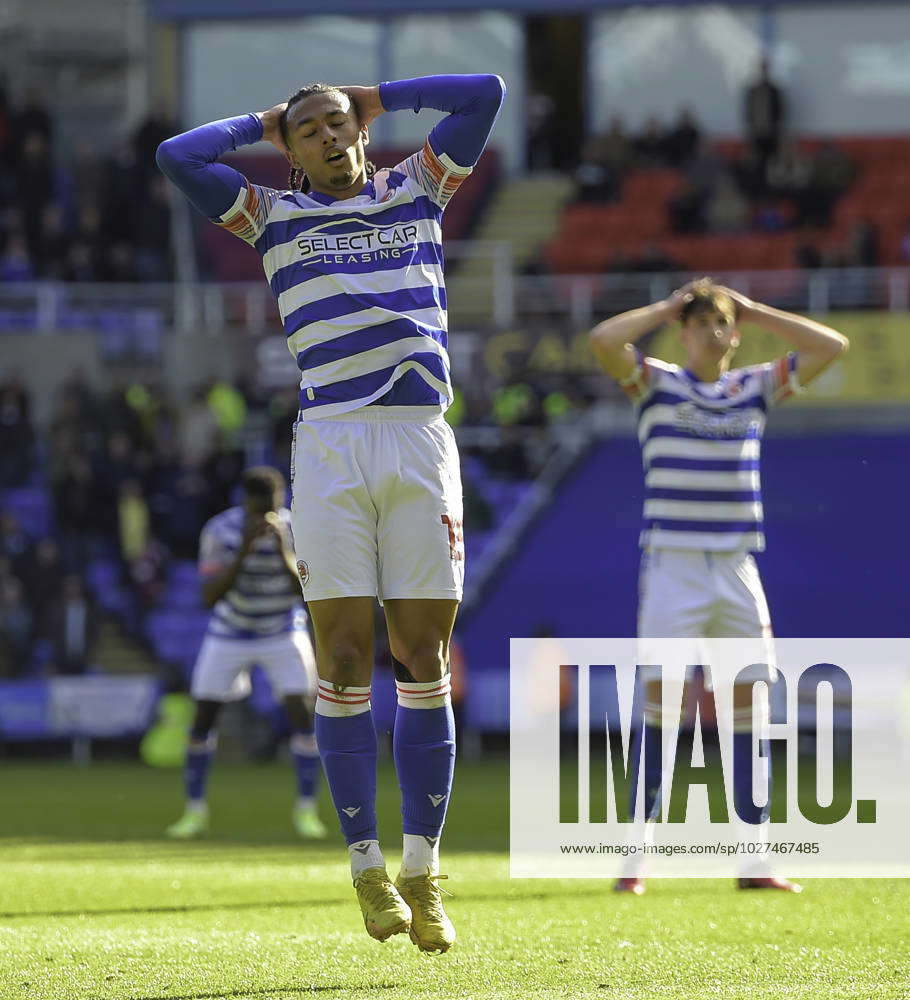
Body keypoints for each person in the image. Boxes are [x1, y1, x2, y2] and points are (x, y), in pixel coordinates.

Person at [157, 73, 505, 952]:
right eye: (308, 129)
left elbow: (486, 93)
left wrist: (378, 96)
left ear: (362, 130)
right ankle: (366, 869)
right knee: (345, 659)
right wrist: (259, 122)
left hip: (420, 441)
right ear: (290, 146)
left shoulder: (416, 185)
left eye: (338, 123)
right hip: (332, 449)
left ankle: (424, 872)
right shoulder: (269, 215)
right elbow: (175, 156)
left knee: (421, 655)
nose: (328, 136)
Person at [588, 278, 848, 894]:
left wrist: (754, 309)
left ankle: (754, 859)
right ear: (682, 331)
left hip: (736, 566)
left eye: (722, 322)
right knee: (661, 709)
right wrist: (667, 305)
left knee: (750, 710)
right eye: (700, 322)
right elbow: (602, 340)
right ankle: (637, 858)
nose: (713, 331)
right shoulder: (656, 382)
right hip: (672, 566)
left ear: (736, 333)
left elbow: (832, 345)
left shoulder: (752, 387)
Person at [165, 466, 326, 843]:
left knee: (301, 712)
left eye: (270, 509)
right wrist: (244, 549)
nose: (264, 518)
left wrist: (284, 550)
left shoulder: (295, 527)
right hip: (230, 630)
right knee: (204, 715)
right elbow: (209, 596)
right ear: (244, 504)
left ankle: (306, 810)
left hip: (282, 629)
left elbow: (306, 593)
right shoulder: (220, 531)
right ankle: (194, 812)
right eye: (257, 511)